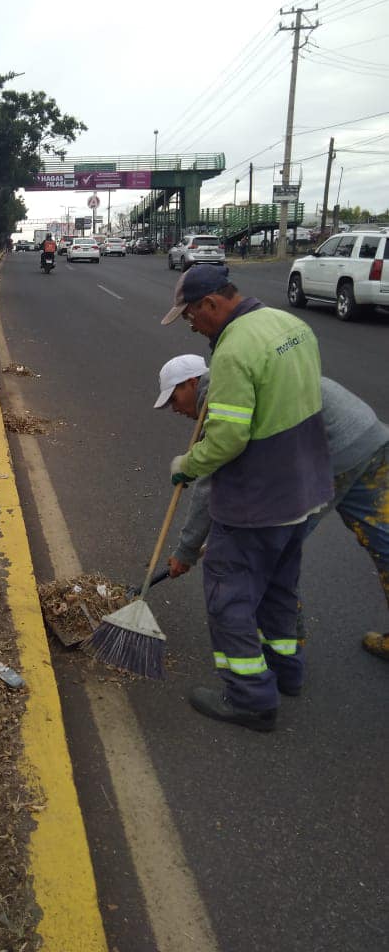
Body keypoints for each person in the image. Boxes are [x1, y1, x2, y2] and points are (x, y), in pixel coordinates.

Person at [160, 265, 332, 731]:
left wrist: (187, 466)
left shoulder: (234, 351)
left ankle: (250, 697)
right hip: (305, 489)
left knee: (229, 596)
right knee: (279, 590)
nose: (193, 326)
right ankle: (286, 673)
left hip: (258, 501)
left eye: (192, 317)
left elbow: (229, 439)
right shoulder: (291, 326)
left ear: (212, 304)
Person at [156, 356, 389, 663]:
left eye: (174, 398)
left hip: (329, 454)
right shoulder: (235, 377)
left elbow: (212, 486)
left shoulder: (224, 399)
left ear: (191, 383)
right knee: (384, 543)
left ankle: (284, 655)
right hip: (367, 434)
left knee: (270, 552)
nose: (175, 408)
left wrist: (186, 550)